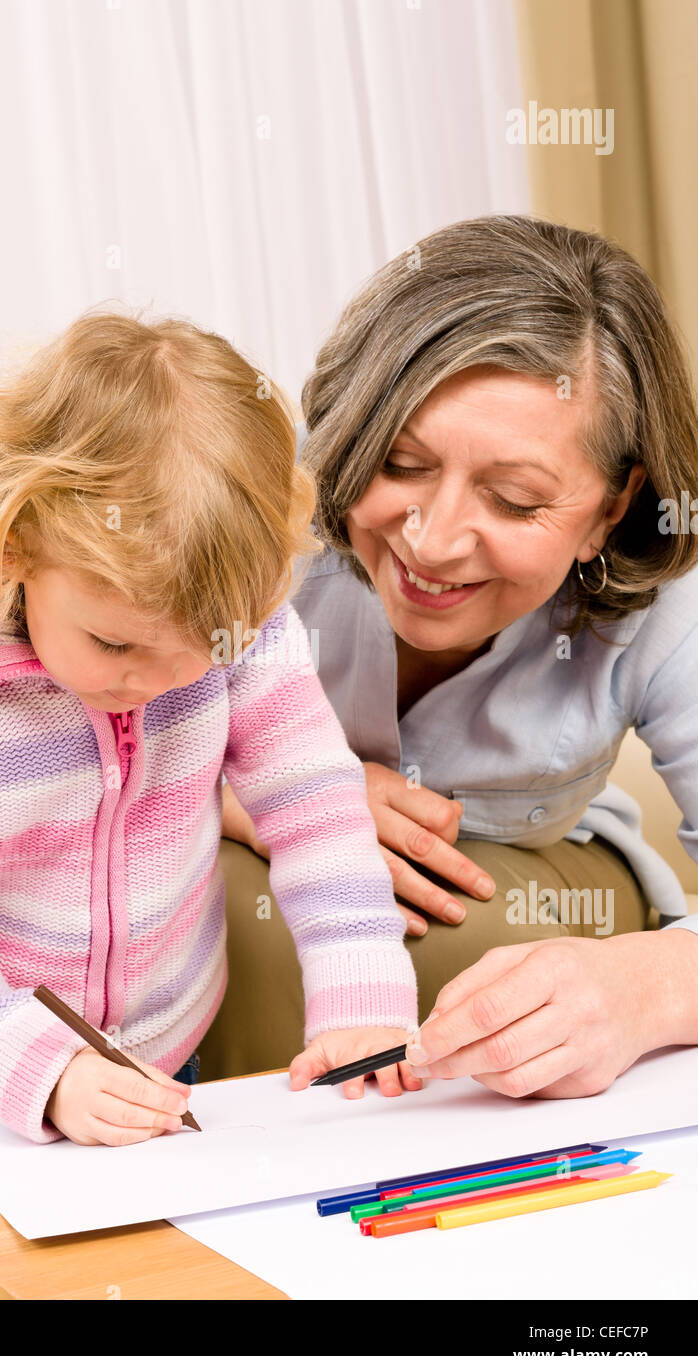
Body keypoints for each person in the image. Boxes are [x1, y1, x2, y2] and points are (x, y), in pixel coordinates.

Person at [0, 309, 420, 1149]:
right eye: (115, 644)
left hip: (152, 1060)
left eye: (202, 652)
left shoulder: (236, 639)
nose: (159, 682)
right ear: (15, 543)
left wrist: (363, 998)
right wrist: (49, 1072)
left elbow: (317, 812)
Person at [215, 215, 698, 1102]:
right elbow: (50, 734)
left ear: (611, 506)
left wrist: (646, 989)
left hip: (542, 871)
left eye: (515, 501)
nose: (432, 544)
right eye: (400, 462)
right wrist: (266, 792)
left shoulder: (669, 606)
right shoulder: (252, 515)